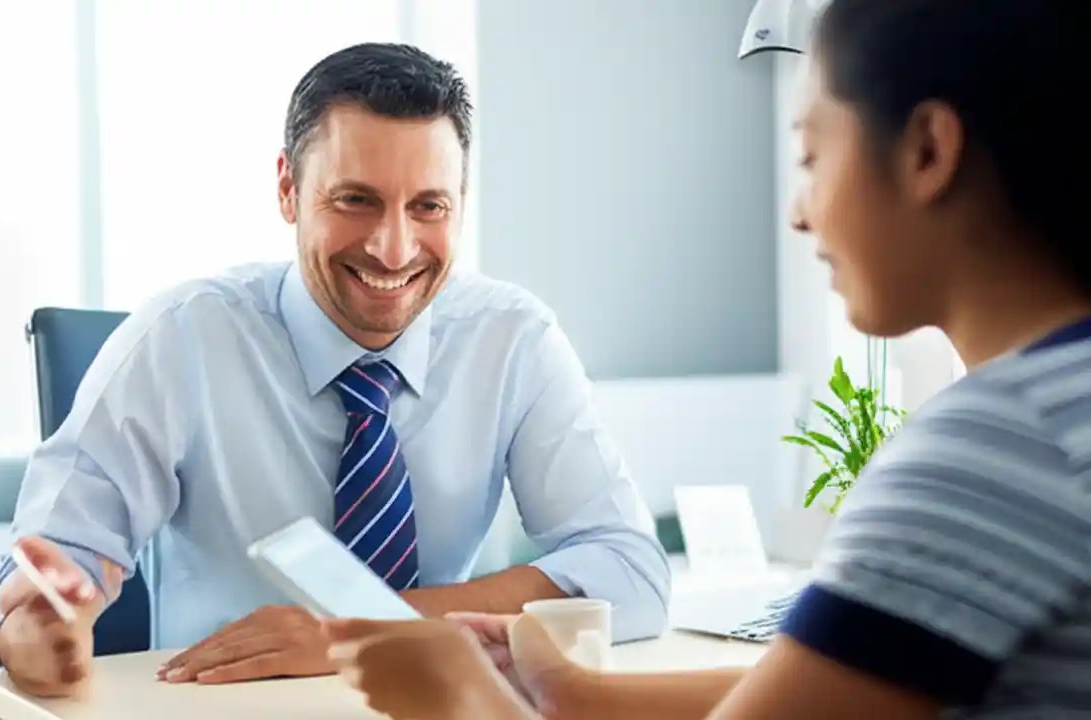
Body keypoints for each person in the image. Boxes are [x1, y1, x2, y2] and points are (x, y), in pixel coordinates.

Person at [326, 1, 1091, 718]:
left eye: (811, 154)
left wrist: (466, 698)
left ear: (928, 150)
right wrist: (574, 689)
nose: (798, 209)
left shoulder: (991, 451)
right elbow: (838, 687)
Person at [0, 42, 670, 698]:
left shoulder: (512, 339)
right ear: (288, 188)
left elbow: (630, 571)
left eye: (428, 206)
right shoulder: (178, 338)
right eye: (355, 200)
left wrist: (365, 629)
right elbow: (37, 592)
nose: (393, 248)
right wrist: (42, 636)